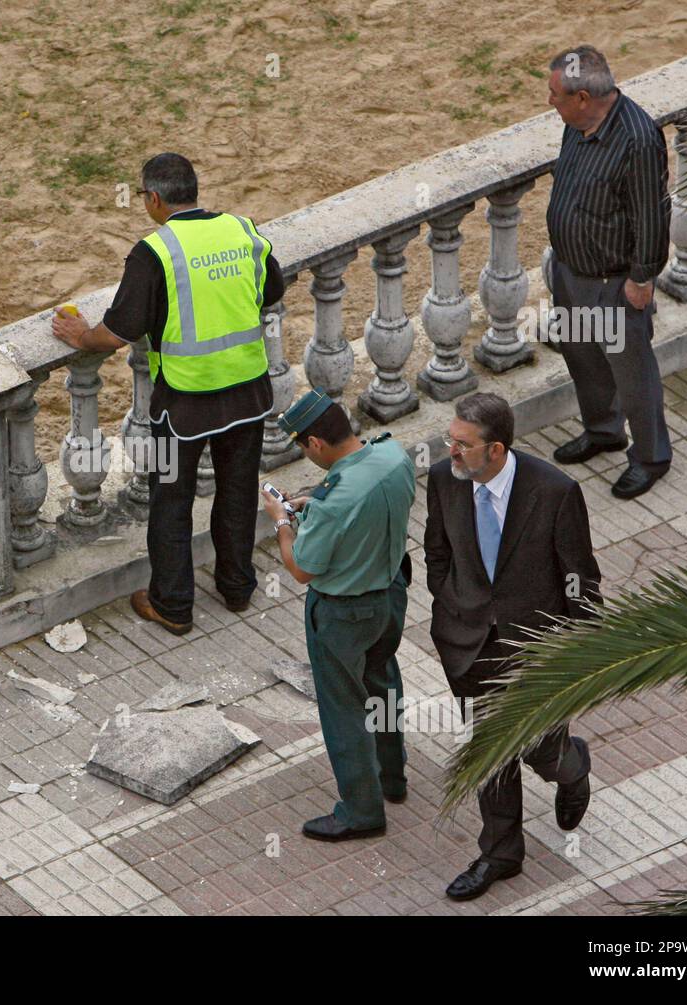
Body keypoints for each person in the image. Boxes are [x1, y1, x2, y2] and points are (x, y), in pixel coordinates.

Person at [50, 152, 285, 634]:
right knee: (238, 492)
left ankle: (174, 605)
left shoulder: (154, 251)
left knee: (170, 500)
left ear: (154, 198)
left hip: (183, 406)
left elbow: (119, 332)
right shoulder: (243, 230)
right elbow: (272, 288)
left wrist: (81, 335)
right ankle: (237, 588)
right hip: (248, 395)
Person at [424, 392, 600, 901]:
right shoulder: (443, 479)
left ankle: (572, 766)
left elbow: (580, 579)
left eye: (462, 444)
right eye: (449, 440)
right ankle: (501, 853)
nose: (451, 451)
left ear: (496, 449)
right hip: (471, 645)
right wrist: (452, 599)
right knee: (491, 751)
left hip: (536, 649)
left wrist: (581, 655)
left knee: (542, 751)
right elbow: (438, 549)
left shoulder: (555, 491)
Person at [262, 389, 415, 841]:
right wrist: (316, 506)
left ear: (314, 444)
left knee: (344, 707)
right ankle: (393, 777)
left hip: (343, 614)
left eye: (302, 448)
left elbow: (302, 569)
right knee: (383, 680)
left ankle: (362, 811)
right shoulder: (392, 456)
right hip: (390, 595)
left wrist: (281, 521)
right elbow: (361, 505)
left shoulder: (334, 500)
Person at [545, 45, 672, 499]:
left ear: (582, 97)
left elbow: (653, 216)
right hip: (572, 271)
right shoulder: (576, 123)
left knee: (633, 374)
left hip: (614, 283)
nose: (550, 101)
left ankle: (651, 457)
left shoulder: (637, 139)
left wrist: (641, 278)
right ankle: (604, 432)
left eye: (555, 94)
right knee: (582, 356)